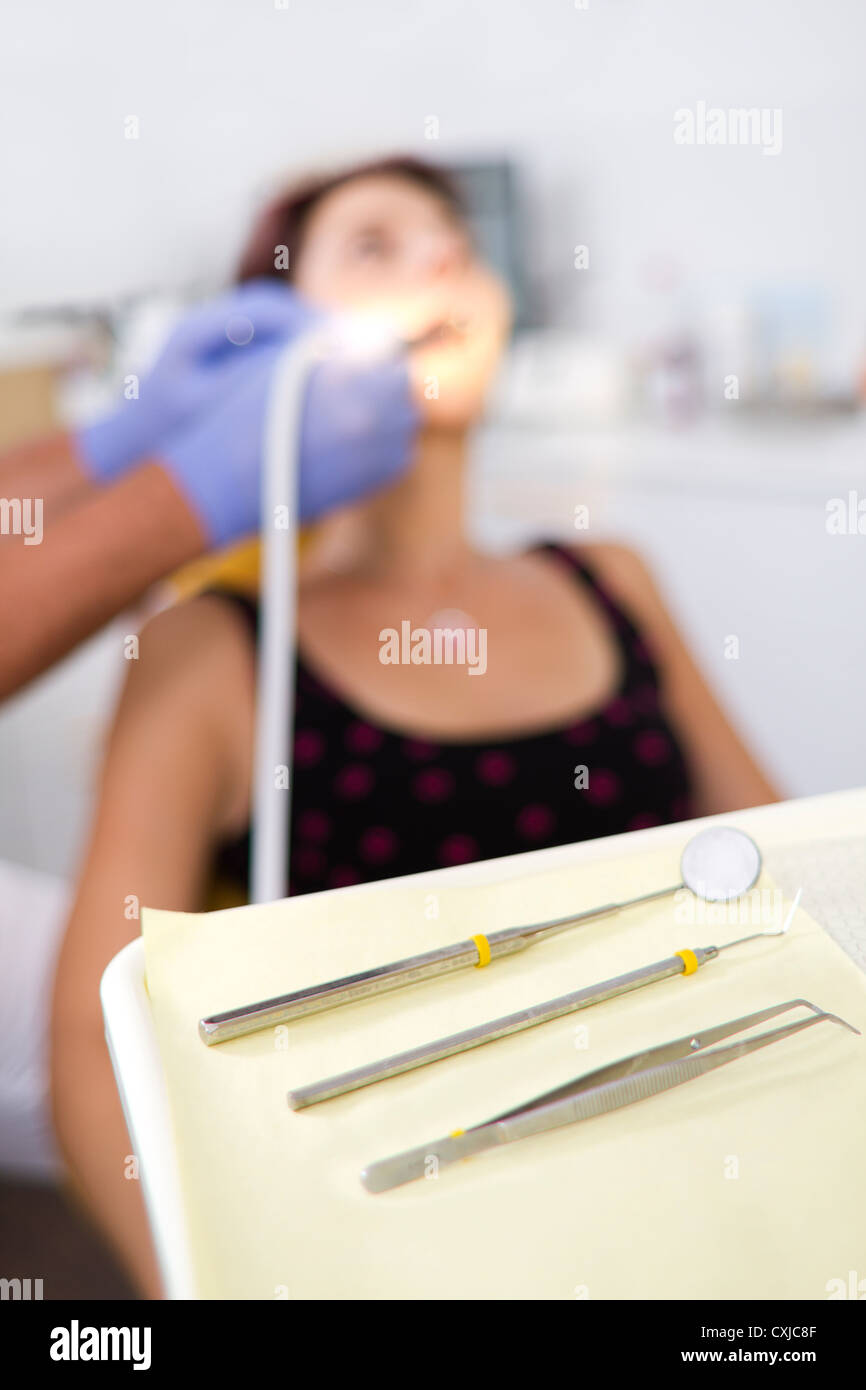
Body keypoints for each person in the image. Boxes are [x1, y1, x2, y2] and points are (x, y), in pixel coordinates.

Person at [49, 155, 779, 1296]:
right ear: (276, 344)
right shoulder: (214, 650)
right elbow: (98, 1050)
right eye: (378, 246)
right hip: (397, 1229)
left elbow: (773, 865)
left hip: (686, 1169)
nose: (443, 259)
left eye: (452, 238)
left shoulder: (612, 580)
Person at [0, 278, 419, 700]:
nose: (439, 258)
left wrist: (122, 441)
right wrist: (199, 491)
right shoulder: (207, 639)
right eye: (372, 247)